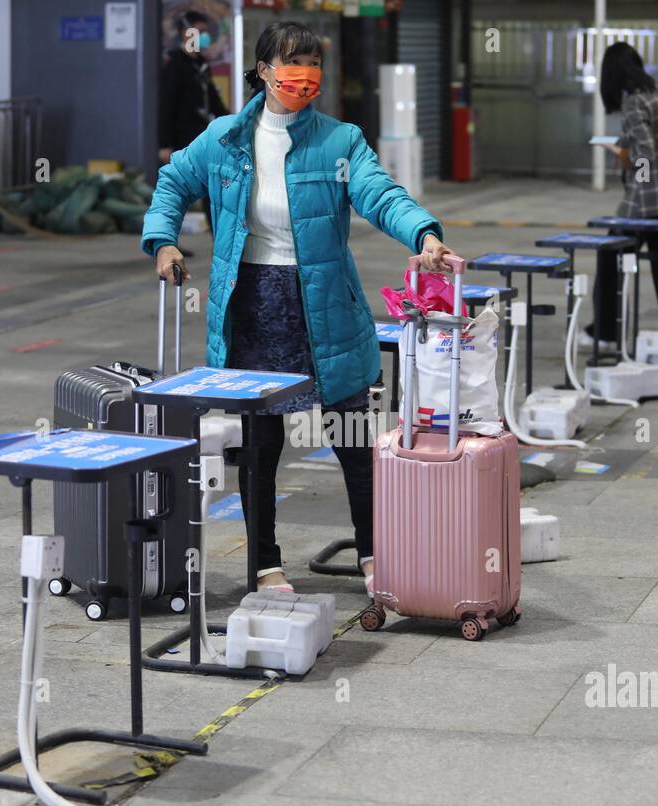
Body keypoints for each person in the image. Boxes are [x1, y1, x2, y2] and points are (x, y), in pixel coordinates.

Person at [142, 21, 458, 595]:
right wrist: (163, 239)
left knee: (355, 438)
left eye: (313, 63)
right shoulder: (223, 140)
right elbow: (171, 181)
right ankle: (264, 564)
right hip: (252, 306)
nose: (304, 74)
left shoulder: (341, 141)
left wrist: (424, 237)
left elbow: (380, 194)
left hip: (325, 306)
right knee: (261, 446)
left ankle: (373, 555)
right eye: (291, 63)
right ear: (262, 70)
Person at [587, 41, 658, 353]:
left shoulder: (634, 102)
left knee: (609, 257)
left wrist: (625, 157)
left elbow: (645, 151)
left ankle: (605, 334)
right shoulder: (657, 93)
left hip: (642, 203)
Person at [158, 9, 228, 251]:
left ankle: (221, 243)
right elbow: (166, 107)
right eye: (198, 32)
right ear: (183, 34)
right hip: (181, 142)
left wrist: (235, 123)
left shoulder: (201, 65)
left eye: (205, 32)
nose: (203, 36)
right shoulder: (175, 67)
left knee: (213, 190)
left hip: (203, 138)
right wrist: (164, 144)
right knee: (177, 195)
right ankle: (166, 243)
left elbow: (215, 103)